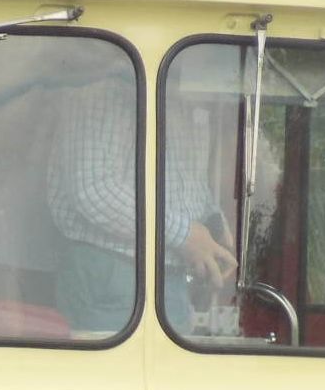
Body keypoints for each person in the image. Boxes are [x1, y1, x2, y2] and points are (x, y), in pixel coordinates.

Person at [46, 84, 235, 333]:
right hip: (110, 271)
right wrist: (186, 236)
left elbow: (187, 181)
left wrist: (213, 226)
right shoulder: (102, 90)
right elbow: (93, 188)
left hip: (169, 275)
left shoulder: (186, 99)